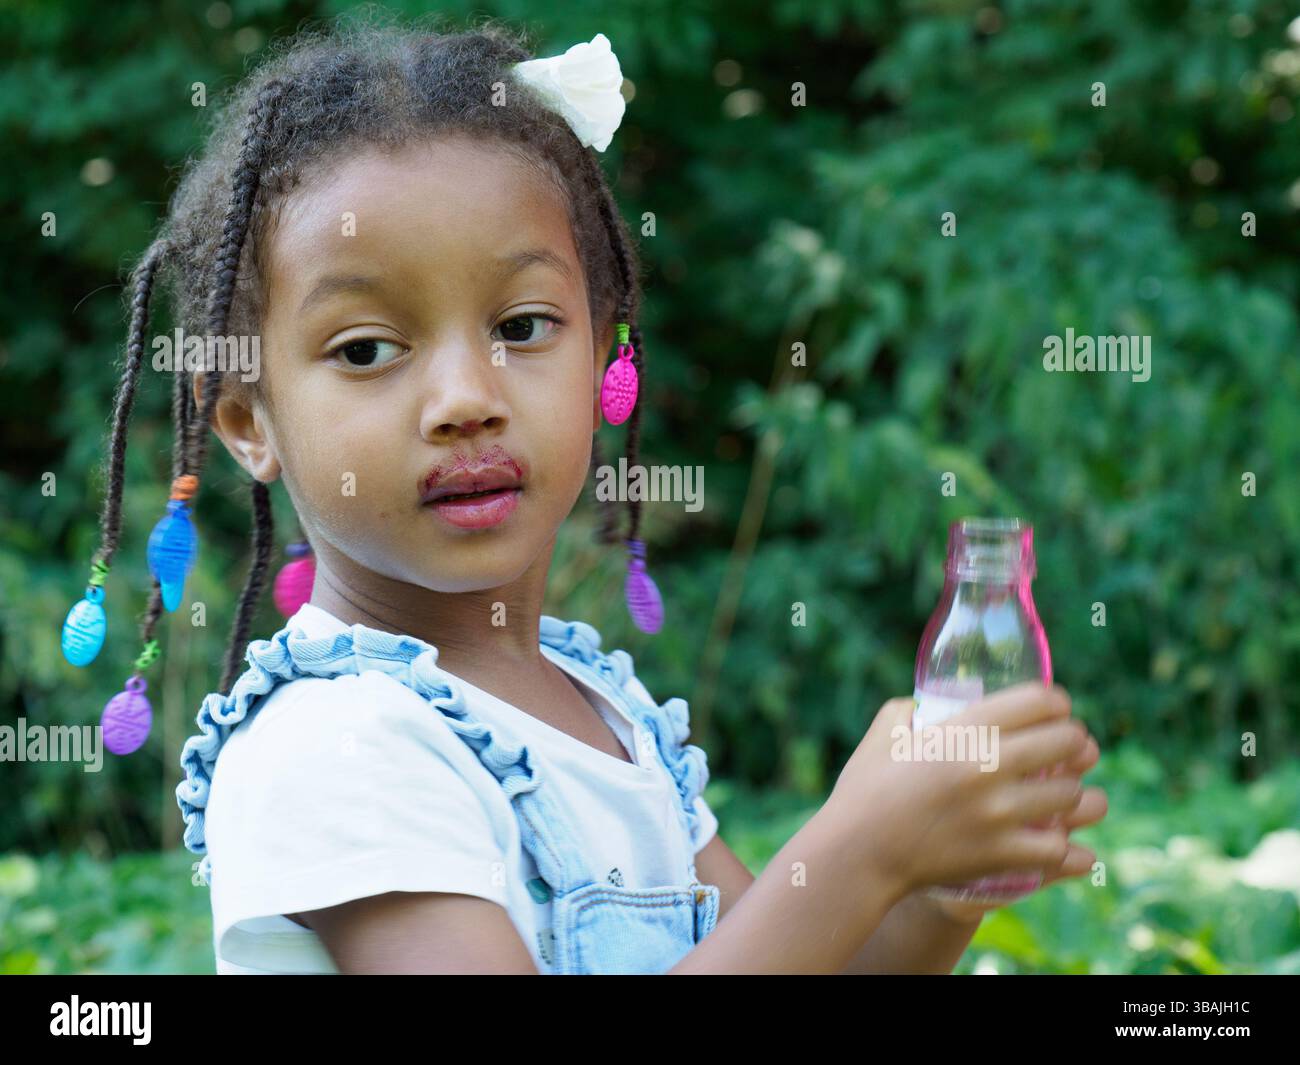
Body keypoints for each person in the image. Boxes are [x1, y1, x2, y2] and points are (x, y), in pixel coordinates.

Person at [75, 17, 1106, 974]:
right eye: (367, 349)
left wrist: (939, 875)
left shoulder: (601, 710)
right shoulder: (336, 749)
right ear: (249, 420)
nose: (466, 400)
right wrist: (855, 849)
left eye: (521, 328)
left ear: (605, 355)